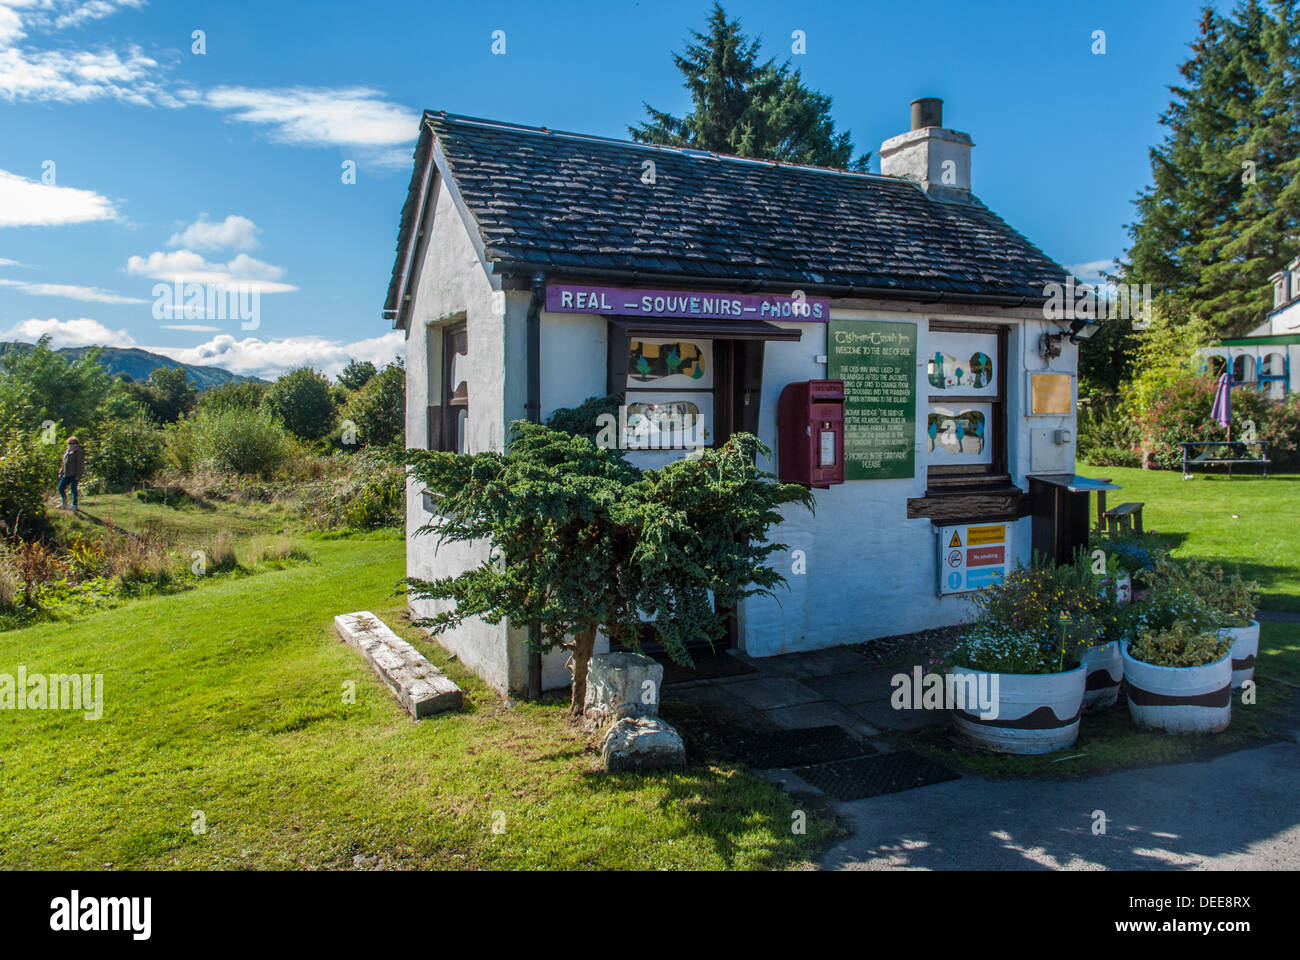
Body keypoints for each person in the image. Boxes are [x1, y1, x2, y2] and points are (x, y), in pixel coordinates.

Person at [58, 436, 84, 511]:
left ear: (77, 444)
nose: (71, 445)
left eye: (73, 443)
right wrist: (61, 471)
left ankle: (74, 505)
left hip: (74, 474)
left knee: (73, 489)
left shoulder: (78, 452)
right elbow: (64, 463)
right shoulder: (67, 451)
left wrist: (78, 475)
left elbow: (80, 465)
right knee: (60, 488)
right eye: (70, 443)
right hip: (66, 474)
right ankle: (64, 503)